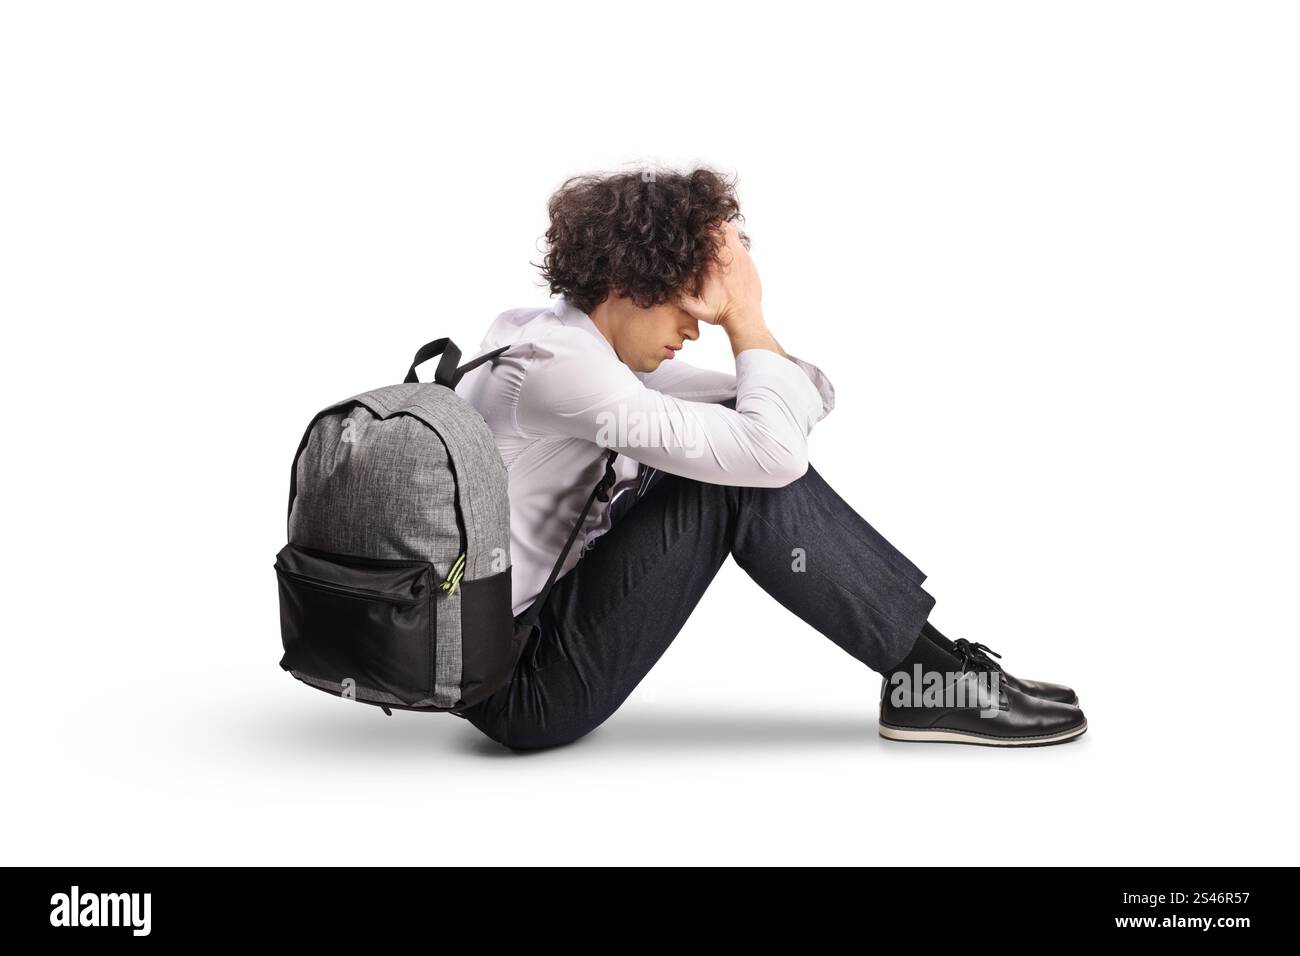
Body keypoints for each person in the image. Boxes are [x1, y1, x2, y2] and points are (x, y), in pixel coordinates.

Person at [455, 167, 1086, 751]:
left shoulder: (565, 341)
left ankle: (935, 673)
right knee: (732, 482)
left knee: (743, 454)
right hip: (522, 686)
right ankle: (931, 681)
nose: (695, 329)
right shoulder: (561, 371)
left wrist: (752, 348)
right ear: (632, 285)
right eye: (688, 304)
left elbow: (800, 396)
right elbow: (774, 448)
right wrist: (744, 316)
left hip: (530, 641)